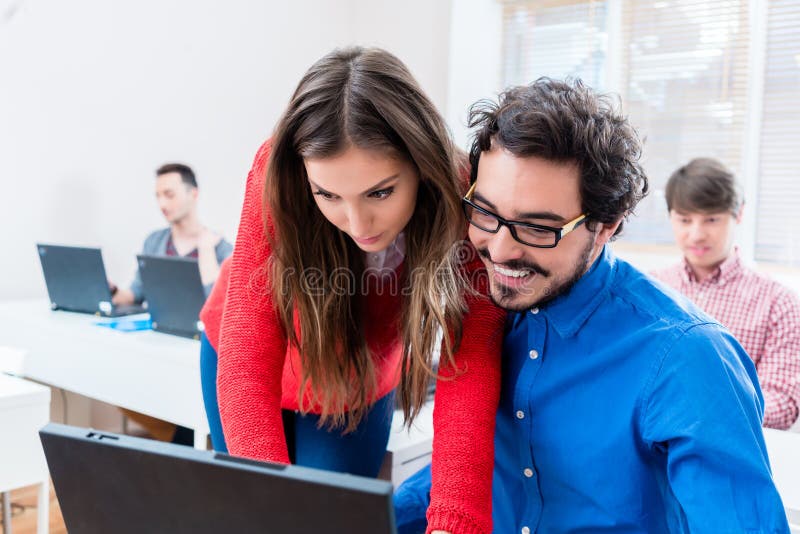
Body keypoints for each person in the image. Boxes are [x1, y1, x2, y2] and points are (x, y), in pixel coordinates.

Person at [395, 78, 788, 533]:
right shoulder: (489, 318)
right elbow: (471, 468)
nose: (499, 250)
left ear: (605, 226)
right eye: (484, 213)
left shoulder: (688, 358)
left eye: (538, 228)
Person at [216, 47, 506, 534]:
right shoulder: (275, 171)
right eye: (327, 195)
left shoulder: (464, 194)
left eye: (380, 192)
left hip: (357, 380)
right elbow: (247, 352)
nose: (357, 224)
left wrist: (456, 521)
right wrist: (265, 505)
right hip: (244, 361)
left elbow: (470, 360)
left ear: (421, 163)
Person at [652, 157, 800, 430]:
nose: (696, 234)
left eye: (711, 219)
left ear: (739, 214)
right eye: (684, 219)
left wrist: (705, 411)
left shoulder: (778, 303)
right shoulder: (651, 290)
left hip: (731, 452)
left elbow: (783, 402)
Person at [111, 163, 233, 305]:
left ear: (193, 194)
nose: (162, 204)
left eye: (169, 195)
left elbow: (218, 307)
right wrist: (113, 291)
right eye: (158, 196)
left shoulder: (221, 249)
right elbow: (137, 293)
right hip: (158, 327)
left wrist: (207, 252)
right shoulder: (154, 242)